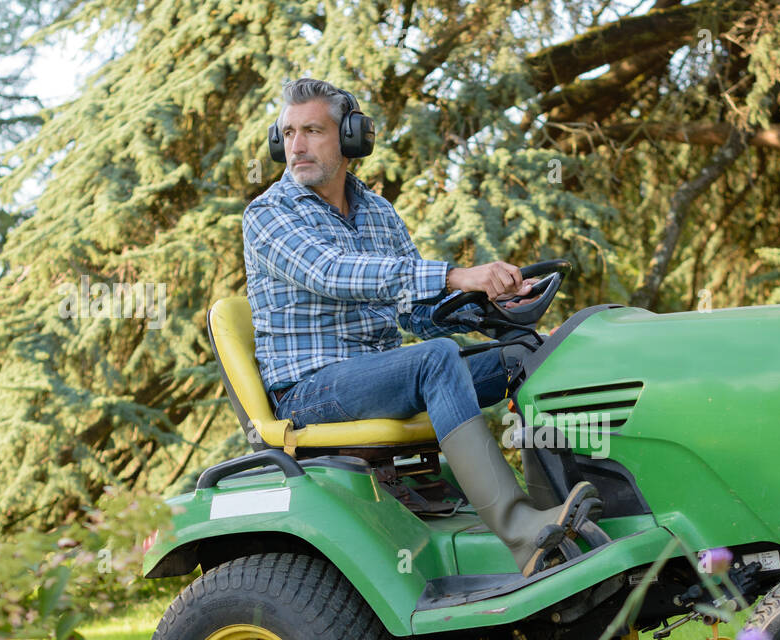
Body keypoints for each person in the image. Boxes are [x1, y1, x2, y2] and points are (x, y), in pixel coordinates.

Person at [242, 78, 602, 577]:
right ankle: (521, 532)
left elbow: (414, 312)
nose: (296, 146)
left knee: (525, 355)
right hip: (309, 392)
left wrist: (483, 299)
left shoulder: (379, 213)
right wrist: (456, 273)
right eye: (287, 133)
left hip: (379, 377)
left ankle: (561, 514)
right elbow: (332, 273)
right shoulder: (268, 215)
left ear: (350, 139)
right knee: (435, 361)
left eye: (312, 131)